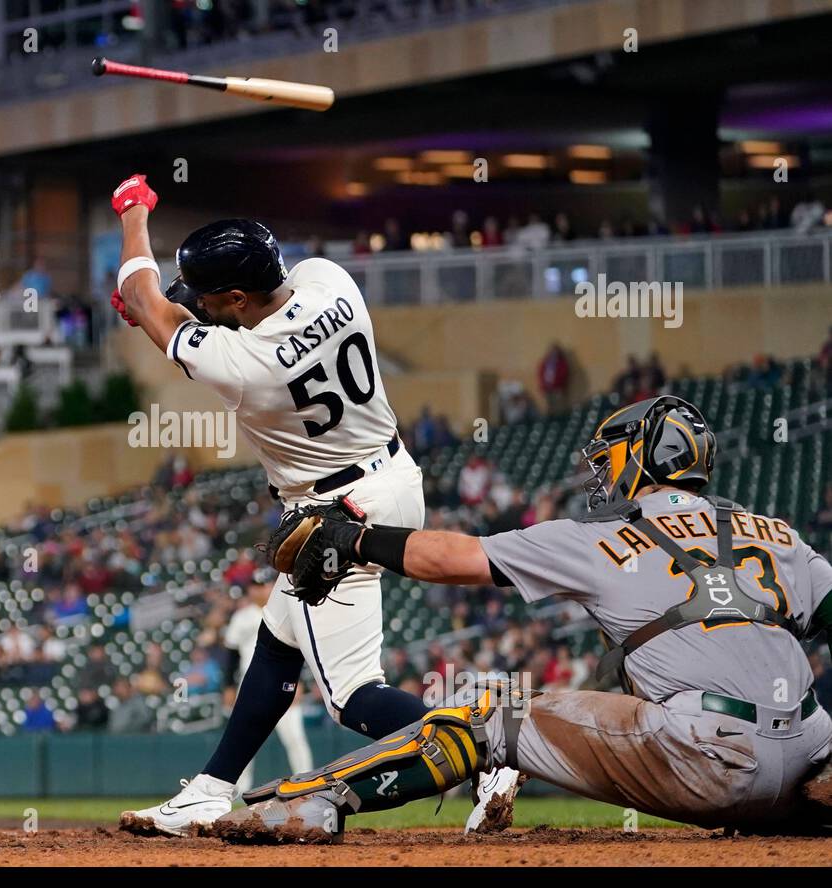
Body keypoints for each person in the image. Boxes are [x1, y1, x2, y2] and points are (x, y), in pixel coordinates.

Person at [220, 396, 832, 839]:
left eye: (613, 458)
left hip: (704, 756)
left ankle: (317, 799)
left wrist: (353, 539)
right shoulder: (776, 535)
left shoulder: (600, 535)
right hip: (810, 749)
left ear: (643, 459)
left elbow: (454, 557)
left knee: (491, 708)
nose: (605, 473)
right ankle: (796, 798)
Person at [107, 172, 494, 836]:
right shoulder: (327, 279)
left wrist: (134, 212)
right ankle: (208, 789)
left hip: (338, 517)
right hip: (391, 476)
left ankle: (491, 754)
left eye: (210, 297)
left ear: (233, 296)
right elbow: (217, 308)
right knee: (278, 639)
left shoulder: (245, 362)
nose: (201, 304)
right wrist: (163, 306)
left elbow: (144, 297)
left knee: (350, 695)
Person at [224, 579, 314, 793]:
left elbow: (303, 646)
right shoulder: (241, 617)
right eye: (255, 585)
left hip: (283, 681)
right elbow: (231, 654)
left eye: (264, 584)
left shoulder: (287, 609)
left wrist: (300, 681)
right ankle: (238, 790)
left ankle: (306, 783)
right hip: (249, 684)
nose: (260, 589)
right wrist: (227, 686)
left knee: (295, 738)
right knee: (243, 738)